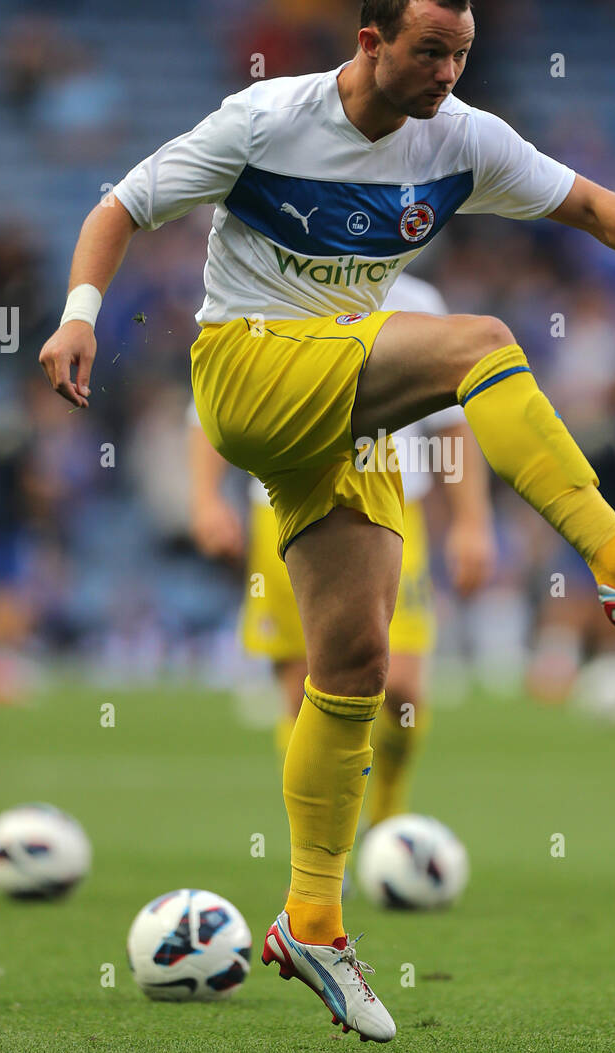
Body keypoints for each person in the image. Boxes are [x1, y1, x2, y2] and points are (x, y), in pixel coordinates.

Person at [39, 0, 615, 1044]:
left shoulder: (460, 138)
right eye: (429, 52)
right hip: (247, 370)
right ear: (371, 41)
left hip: (341, 413)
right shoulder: (265, 119)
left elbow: (588, 208)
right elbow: (117, 208)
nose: (446, 75)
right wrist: (82, 311)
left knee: (356, 669)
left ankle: (310, 921)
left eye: (461, 56)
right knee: (479, 339)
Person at [188, 270, 496, 827]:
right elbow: (208, 410)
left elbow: (453, 423)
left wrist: (471, 523)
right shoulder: (269, 288)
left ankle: (386, 819)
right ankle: (326, 848)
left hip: (397, 508)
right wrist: (207, 499)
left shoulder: (418, 300)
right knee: (304, 695)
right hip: (287, 506)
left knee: (400, 691)